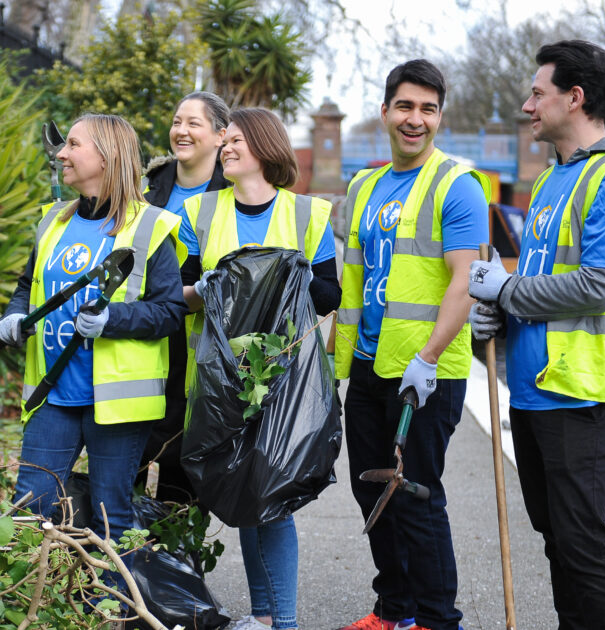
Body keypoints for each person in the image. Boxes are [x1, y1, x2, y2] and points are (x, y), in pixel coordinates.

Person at [468, 40, 605, 630]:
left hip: (586, 391)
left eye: (537, 92)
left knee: (582, 542)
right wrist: (495, 316)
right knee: (558, 538)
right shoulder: (553, 181)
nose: (527, 105)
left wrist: (506, 292)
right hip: (535, 386)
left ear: (574, 99)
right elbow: (537, 280)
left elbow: (598, 285)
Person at [333, 59, 489, 630]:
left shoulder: (458, 186)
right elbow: (352, 275)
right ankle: (393, 609)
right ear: (384, 112)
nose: (415, 119)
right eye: (405, 106)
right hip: (372, 365)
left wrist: (426, 359)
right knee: (369, 492)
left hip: (425, 372)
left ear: (440, 117)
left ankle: (436, 620)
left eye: (427, 109)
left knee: (417, 499)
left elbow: (464, 280)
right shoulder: (364, 185)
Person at [0, 114, 187, 540]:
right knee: (31, 511)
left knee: (111, 519)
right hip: (53, 393)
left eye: (74, 145)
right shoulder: (53, 222)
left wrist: (112, 320)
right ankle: (38, 604)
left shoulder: (149, 226)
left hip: (118, 405)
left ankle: (114, 607)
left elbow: (170, 311)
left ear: (107, 156)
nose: (61, 153)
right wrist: (13, 316)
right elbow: (28, 287)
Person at [183, 107, 340, 630]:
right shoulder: (201, 214)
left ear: (266, 145)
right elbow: (178, 293)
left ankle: (284, 622)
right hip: (221, 383)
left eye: (235, 139)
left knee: (271, 496)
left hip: (282, 383)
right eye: (223, 140)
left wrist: (290, 273)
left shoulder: (307, 215)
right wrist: (202, 290)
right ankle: (264, 616)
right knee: (246, 494)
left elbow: (328, 295)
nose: (225, 147)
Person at [139, 91, 231, 504]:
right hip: (141, 335)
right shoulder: (146, 185)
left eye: (194, 123)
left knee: (182, 468)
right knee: (132, 454)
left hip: (196, 346)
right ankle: (120, 559)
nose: (181, 131)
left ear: (220, 136)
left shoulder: (233, 194)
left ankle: (175, 562)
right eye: (178, 121)